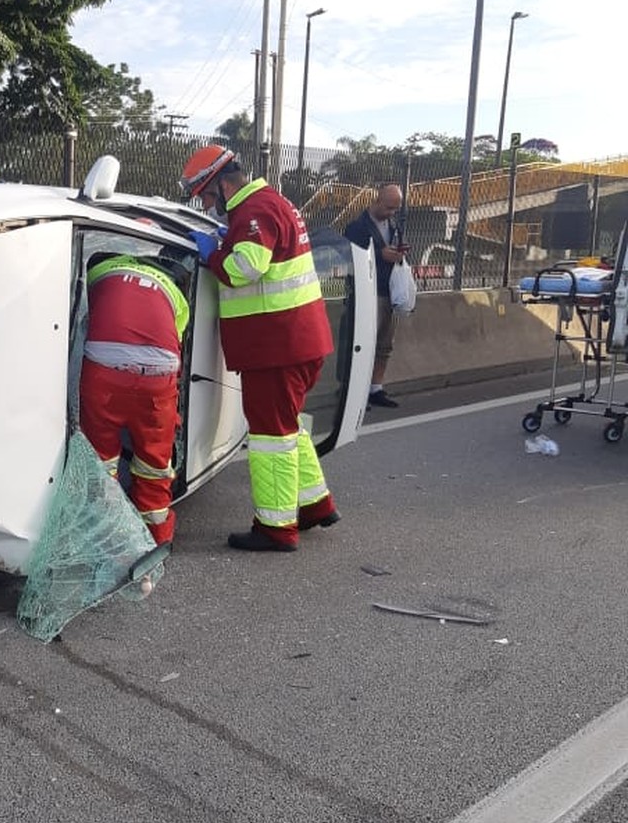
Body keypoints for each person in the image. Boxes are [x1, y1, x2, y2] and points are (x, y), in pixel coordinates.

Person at [180, 144, 338, 553]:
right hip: (295, 341)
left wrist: (214, 255)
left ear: (220, 182)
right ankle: (315, 504)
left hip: (276, 347)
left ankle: (275, 528)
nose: (208, 204)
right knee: (288, 428)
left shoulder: (254, 211)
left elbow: (244, 269)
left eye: (207, 195)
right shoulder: (271, 203)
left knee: (271, 437)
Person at [79, 250, 190, 545]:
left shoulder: (96, 273)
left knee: (101, 457)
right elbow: (177, 341)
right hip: (159, 371)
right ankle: (154, 539)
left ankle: (102, 537)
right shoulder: (173, 289)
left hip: (105, 367)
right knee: (154, 461)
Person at [344, 183, 407, 409]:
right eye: (389, 207)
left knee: (384, 344)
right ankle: (354, 393)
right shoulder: (357, 227)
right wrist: (380, 255)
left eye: (395, 209)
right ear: (377, 200)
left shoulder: (394, 225)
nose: (391, 213)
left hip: (390, 289)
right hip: (367, 292)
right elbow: (350, 258)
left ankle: (375, 388)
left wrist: (399, 253)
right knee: (363, 345)